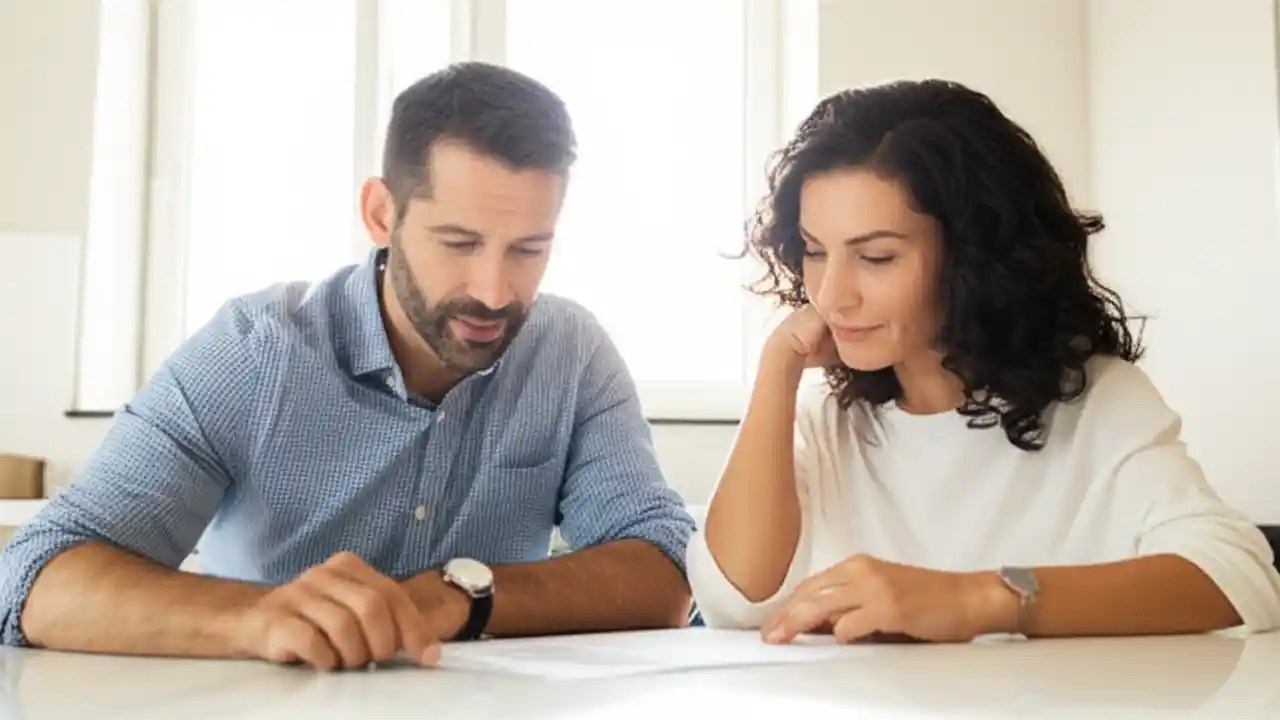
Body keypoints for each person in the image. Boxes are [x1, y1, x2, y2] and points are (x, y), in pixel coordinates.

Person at [0, 62, 694, 669]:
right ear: (380, 212)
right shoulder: (254, 351)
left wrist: (457, 595)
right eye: (459, 242)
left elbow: (665, 568)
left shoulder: (570, 352)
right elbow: (34, 577)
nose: (493, 291)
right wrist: (257, 617)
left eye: (528, 249)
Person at [688, 79, 1280, 642]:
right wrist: (777, 370)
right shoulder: (825, 415)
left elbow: (1239, 576)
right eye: (815, 252)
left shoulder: (1096, 400)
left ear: (973, 258)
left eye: (876, 257)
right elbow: (733, 601)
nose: (833, 294)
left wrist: (979, 601)